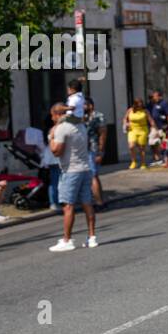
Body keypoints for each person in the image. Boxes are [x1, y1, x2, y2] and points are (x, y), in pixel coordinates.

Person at [47, 103, 97, 251]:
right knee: (87, 203)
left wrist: (51, 137)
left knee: (68, 205)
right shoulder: (81, 126)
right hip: (85, 168)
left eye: (52, 116)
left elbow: (56, 151)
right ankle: (92, 237)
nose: (51, 118)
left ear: (57, 115)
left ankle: (67, 240)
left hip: (71, 171)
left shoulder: (62, 128)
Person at [84, 99, 107, 208]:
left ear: (90, 105)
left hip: (93, 149)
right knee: (92, 176)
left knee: (93, 175)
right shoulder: (82, 117)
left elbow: (103, 133)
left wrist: (100, 152)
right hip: (84, 149)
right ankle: (99, 199)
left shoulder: (97, 116)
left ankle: (99, 202)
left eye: (84, 105)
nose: (82, 107)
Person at [124, 98, 151, 169]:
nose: (140, 104)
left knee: (141, 148)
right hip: (132, 130)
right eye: (139, 103)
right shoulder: (130, 110)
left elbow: (150, 120)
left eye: (141, 103)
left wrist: (154, 128)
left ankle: (143, 163)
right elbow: (125, 118)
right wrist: (126, 124)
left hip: (143, 130)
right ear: (135, 104)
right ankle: (133, 161)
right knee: (131, 146)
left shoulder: (145, 111)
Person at [148, 90, 168, 166]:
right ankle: (157, 157)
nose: (153, 97)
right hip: (155, 128)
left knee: (165, 143)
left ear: (159, 96)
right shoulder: (153, 104)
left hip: (164, 127)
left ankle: (166, 161)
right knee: (151, 141)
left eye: (155, 96)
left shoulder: (164, 104)